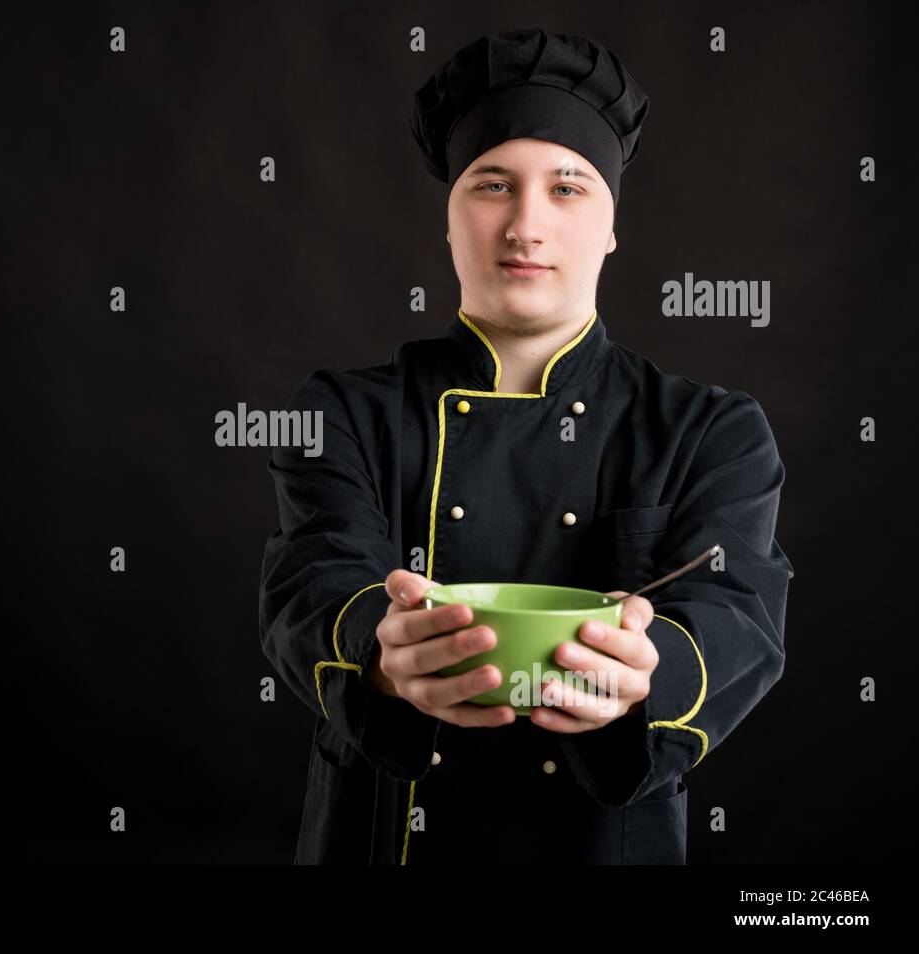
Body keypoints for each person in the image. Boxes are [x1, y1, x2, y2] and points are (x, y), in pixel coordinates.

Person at [257, 27, 794, 865]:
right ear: (449, 218)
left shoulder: (711, 430)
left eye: (569, 187)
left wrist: (649, 669)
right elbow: (313, 571)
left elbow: (739, 612)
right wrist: (378, 647)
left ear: (613, 226)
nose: (525, 224)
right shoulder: (340, 412)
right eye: (493, 184)